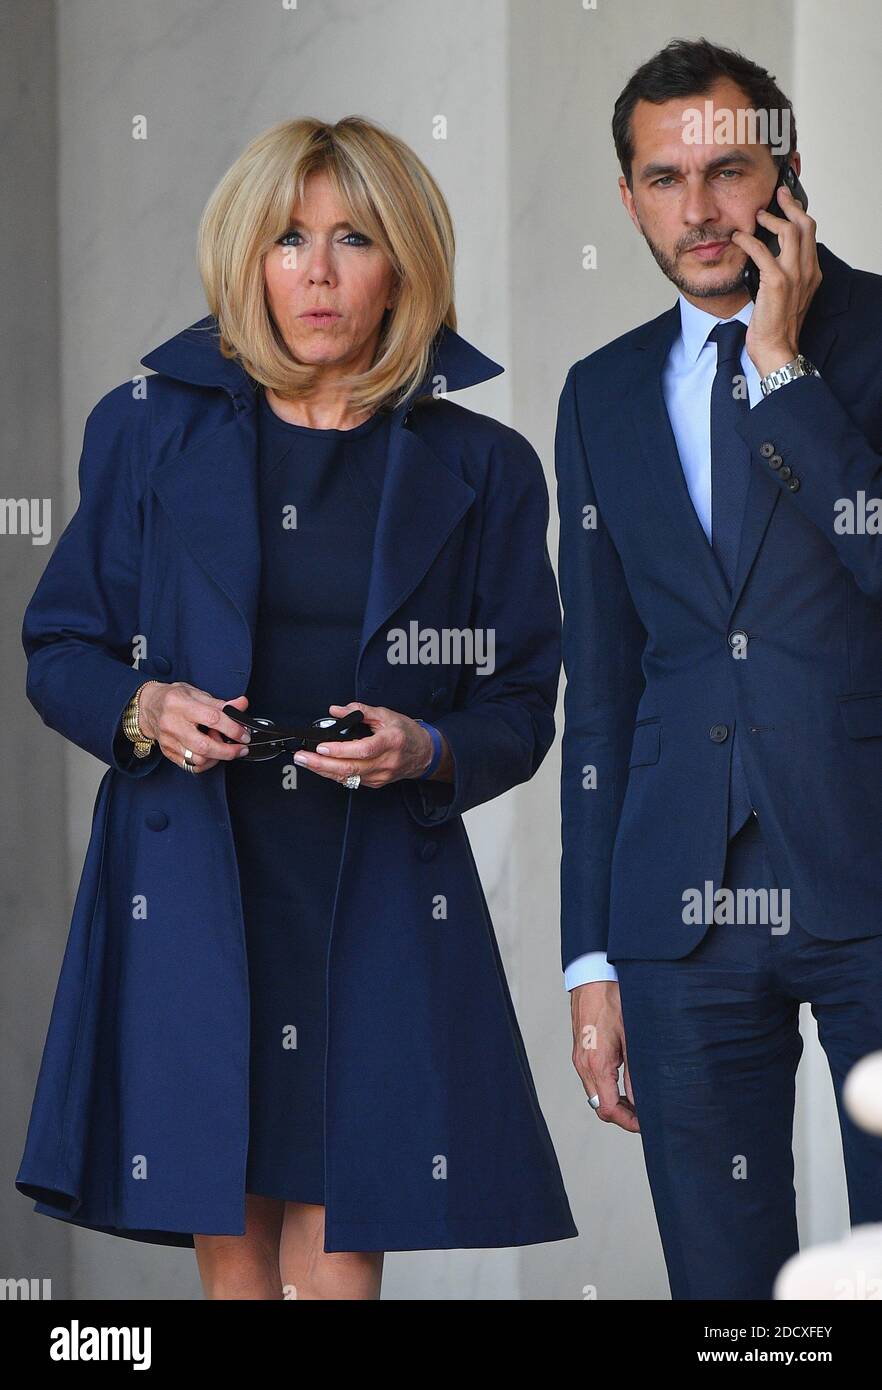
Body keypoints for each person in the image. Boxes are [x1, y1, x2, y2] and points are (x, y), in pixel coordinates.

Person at [16, 114, 576, 1299]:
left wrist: (425, 744)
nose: (317, 273)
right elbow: (61, 645)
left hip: (372, 877)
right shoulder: (147, 428)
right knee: (233, 1249)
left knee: (338, 1261)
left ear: (403, 265)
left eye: (353, 238)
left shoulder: (483, 466)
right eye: (287, 239)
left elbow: (522, 704)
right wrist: (145, 705)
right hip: (195, 873)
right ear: (245, 260)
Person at [556, 38, 882, 1299]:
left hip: (870, 880)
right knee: (725, 1302)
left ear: (788, 176)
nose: (697, 212)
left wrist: (786, 372)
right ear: (629, 195)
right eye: (660, 179)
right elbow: (603, 689)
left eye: (728, 170)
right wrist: (592, 959)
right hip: (679, 917)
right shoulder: (600, 395)